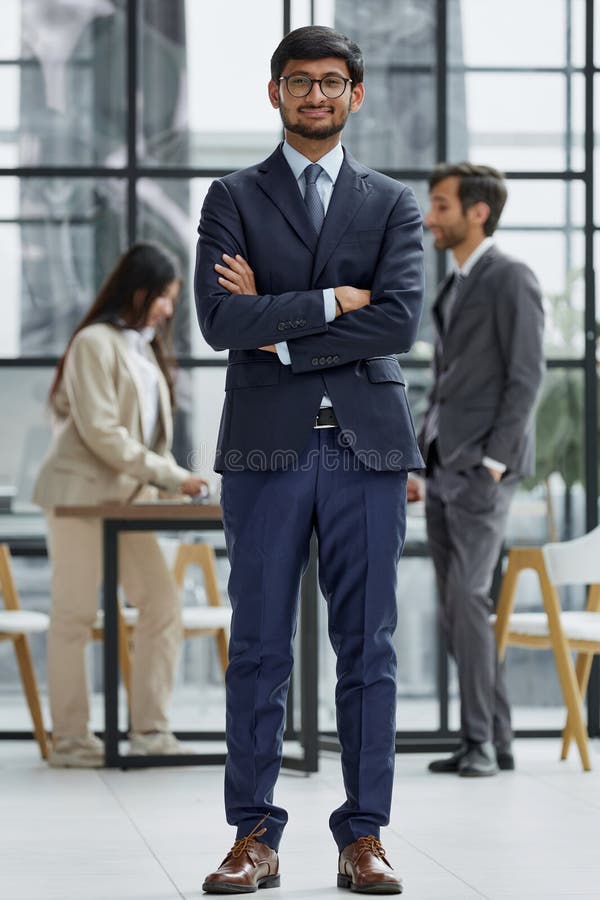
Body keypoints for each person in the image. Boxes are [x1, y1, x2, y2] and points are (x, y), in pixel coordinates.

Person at [195, 24, 424, 896]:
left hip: (367, 449)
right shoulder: (233, 196)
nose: (317, 95)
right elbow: (220, 324)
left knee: (368, 646)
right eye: (300, 83)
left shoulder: (393, 203)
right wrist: (332, 301)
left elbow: (398, 321)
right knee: (256, 644)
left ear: (355, 95)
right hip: (263, 449)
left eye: (332, 83)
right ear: (275, 94)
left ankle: (363, 836)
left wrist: (282, 331)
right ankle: (253, 833)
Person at [33, 242, 208, 768]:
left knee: (161, 604)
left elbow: (146, 436)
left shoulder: (142, 348)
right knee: (76, 615)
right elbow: (103, 433)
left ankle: (150, 730)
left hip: (126, 503)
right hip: (79, 500)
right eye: (164, 297)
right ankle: (70, 739)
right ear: (139, 291)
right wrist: (174, 477)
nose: (169, 309)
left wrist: (165, 483)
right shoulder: (95, 343)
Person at [414, 163, 545, 777]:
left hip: (482, 471)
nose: (429, 218)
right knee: (454, 604)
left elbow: (526, 377)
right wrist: (420, 457)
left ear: (477, 212)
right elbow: (444, 387)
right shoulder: (455, 286)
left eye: (440, 206)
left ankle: (479, 743)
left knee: (467, 597)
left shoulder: (510, 277)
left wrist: (495, 463)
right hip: (445, 467)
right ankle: (497, 735)